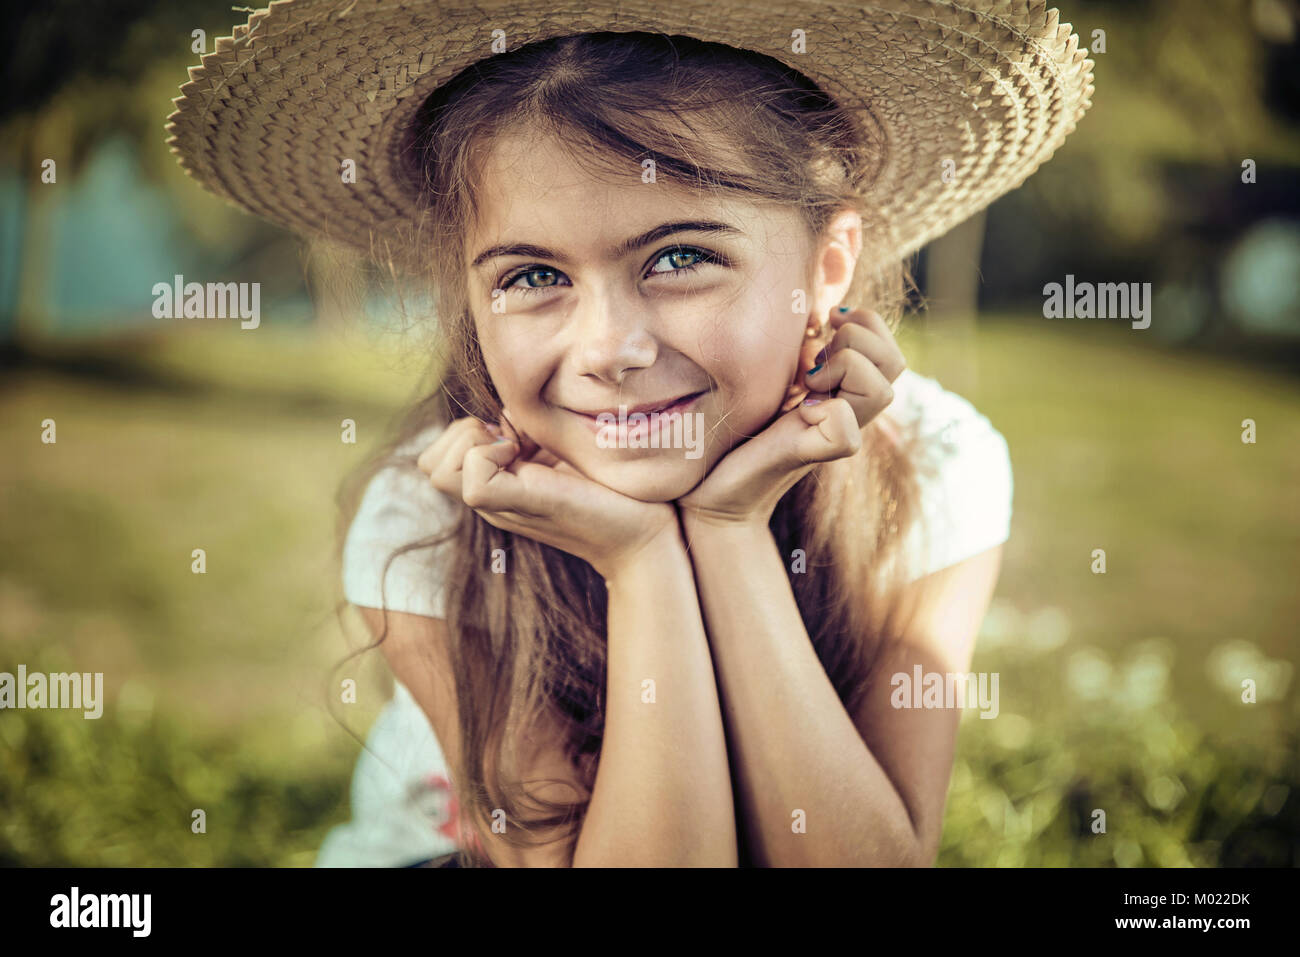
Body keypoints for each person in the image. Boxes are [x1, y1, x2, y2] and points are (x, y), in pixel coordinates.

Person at [165, 0, 1094, 867]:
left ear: (830, 265)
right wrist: (644, 561)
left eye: (680, 257)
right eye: (532, 277)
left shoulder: (933, 463)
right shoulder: (426, 515)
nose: (609, 349)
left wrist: (729, 536)